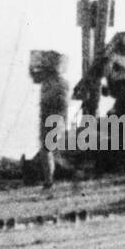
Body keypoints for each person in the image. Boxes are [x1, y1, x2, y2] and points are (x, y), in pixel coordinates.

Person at [37, 59, 70, 189]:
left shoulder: (47, 84)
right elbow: (64, 104)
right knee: (51, 149)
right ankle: (49, 179)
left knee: (46, 150)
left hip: (49, 119)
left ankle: (48, 180)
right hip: (59, 119)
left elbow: (47, 102)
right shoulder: (64, 83)